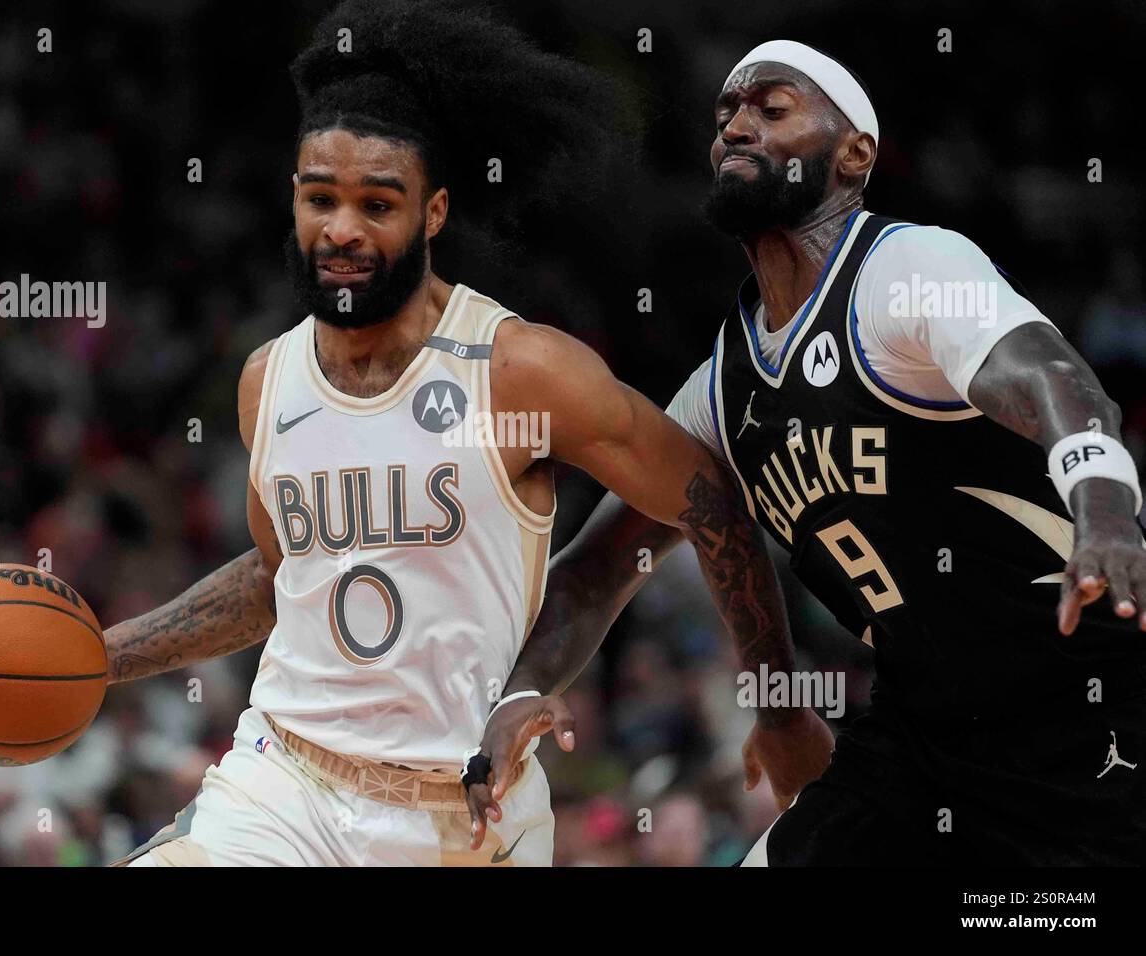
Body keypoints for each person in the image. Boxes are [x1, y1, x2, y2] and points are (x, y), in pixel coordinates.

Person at [99, 5, 827, 867]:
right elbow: (281, 576)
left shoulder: (518, 369)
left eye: (378, 203)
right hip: (281, 787)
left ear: (435, 211)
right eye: (319, 198)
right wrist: (103, 658)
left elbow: (712, 503)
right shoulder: (268, 380)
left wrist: (777, 705)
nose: (341, 230)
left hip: (465, 817)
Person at [470, 40, 1146, 865]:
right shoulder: (719, 392)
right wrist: (525, 692)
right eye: (725, 117)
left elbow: (1055, 381)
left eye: (772, 108)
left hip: (1090, 712)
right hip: (917, 743)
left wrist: (1105, 506)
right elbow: (597, 567)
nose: (737, 127)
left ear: (855, 153)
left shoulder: (907, 268)